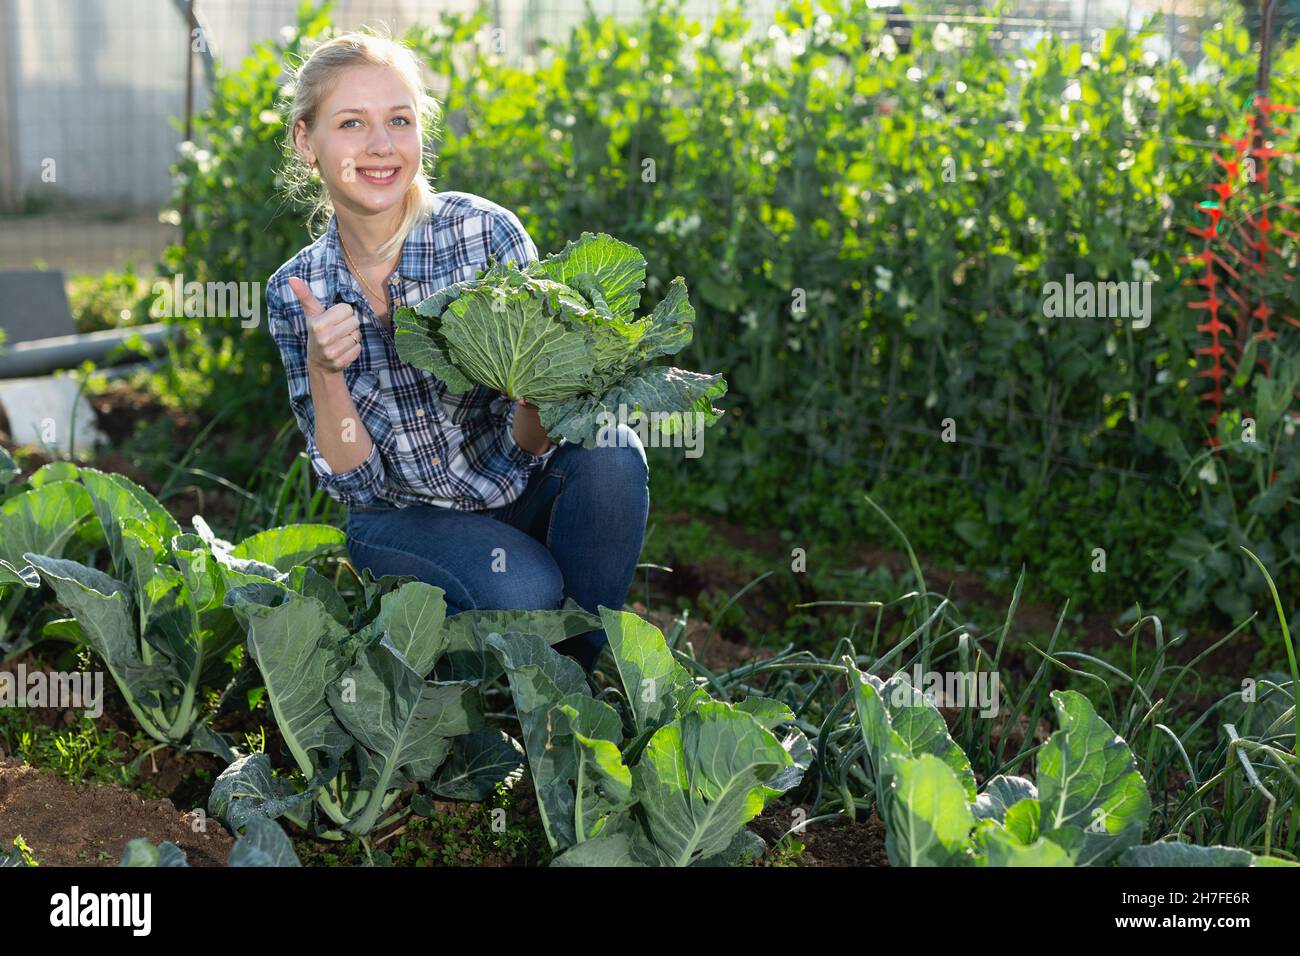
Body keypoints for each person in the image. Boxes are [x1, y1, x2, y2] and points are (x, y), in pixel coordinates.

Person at [264, 29, 649, 671]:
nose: (382, 145)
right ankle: (486, 664)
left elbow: (533, 440)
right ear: (307, 141)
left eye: (400, 120)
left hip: (514, 482)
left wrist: (537, 387)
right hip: (402, 520)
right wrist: (324, 370)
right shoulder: (296, 290)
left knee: (612, 450)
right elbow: (357, 482)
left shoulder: (483, 234)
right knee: (525, 590)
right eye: (352, 123)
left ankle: (581, 680)